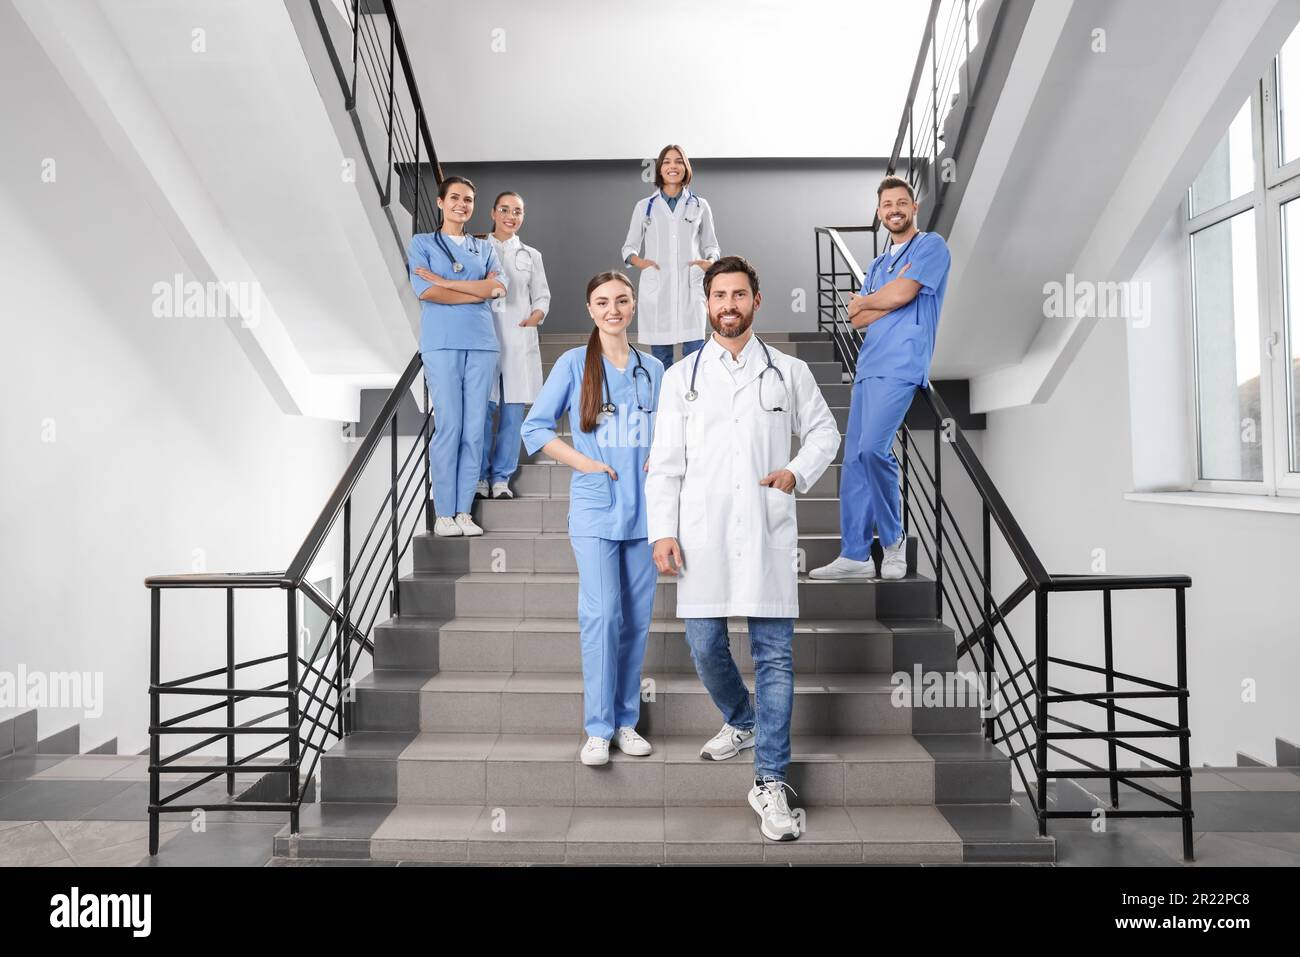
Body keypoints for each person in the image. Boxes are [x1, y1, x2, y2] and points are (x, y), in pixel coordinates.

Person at [645, 256, 840, 841]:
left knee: (775, 657)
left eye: (739, 294)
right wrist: (662, 530)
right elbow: (665, 464)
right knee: (705, 645)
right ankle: (742, 718)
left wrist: (797, 471)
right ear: (707, 304)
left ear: (757, 299)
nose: (728, 304)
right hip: (702, 533)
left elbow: (826, 431)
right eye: (719, 295)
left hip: (766, 529)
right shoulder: (681, 378)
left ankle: (771, 782)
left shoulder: (789, 371)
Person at [521, 271, 665, 767]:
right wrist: (585, 462)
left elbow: (671, 434)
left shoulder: (654, 369)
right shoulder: (572, 364)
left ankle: (626, 722)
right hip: (595, 507)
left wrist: (662, 458)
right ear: (589, 309)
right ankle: (598, 728)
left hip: (646, 510)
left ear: (634, 305)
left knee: (636, 619)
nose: (613, 309)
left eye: (622, 300)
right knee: (602, 615)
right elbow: (534, 429)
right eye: (602, 302)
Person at [810, 176, 951, 581]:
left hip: (903, 363)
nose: (894, 210)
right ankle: (854, 554)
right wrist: (885, 297)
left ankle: (892, 542)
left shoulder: (931, 247)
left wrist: (881, 299)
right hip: (869, 364)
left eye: (902, 203)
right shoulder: (877, 265)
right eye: (887, 204)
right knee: (853, 459)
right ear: (879, 212)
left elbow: (899, 297)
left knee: (874, 450)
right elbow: (856, 320)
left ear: (914, 208)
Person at [408, 175, 507, 537]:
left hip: (482, 344)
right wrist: (475, 292)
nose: (461, 205)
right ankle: (444, 513)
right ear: (440, 202)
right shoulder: (422, 243)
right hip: (442, 343)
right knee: (450, 427)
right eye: (454, 198)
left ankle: (464, 512)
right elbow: (426, 292)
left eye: (468, 200)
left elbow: (497, 288)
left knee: (475, 430)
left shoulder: (484, 248)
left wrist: (446, 281)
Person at [621, 144, 721, 369]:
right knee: (661, 359)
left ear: (685, 168)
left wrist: (710, 262)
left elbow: (712, 245)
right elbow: (628, 249)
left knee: (693, 357)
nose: (672, 166)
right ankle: (665, 403)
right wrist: (641, 263)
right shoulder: (644, 207)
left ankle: (690, 402)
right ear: (659, 168)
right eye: (667, 162)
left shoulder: (700, 205)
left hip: (690, 287)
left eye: (678, 161)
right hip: (659, 287)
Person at [478, 190, 551, 500]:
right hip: (484, 337)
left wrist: (535, 316)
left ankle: (501, 479)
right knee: (482, 411)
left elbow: (542, 295)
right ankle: (479, 477)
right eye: (505, 210)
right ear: (493, 213)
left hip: (518, 339)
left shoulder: (530, 255)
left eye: (517, 211)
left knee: (512, 414)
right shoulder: (477, 248)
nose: (511, 216)